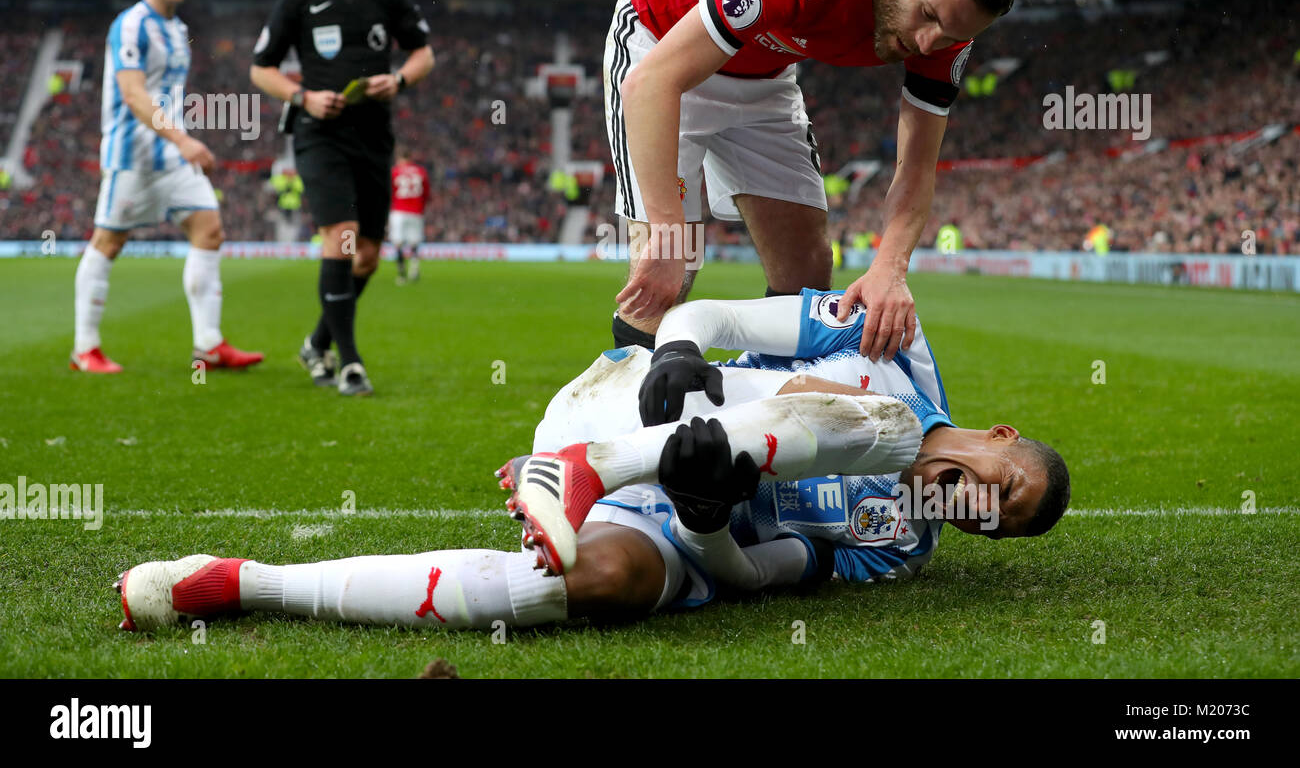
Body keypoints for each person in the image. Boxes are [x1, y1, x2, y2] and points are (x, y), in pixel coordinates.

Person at [115, 290, 1069, 632]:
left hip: (673, 513)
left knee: (595, 583)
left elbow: (760, 579)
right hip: (630, 403)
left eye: (1001, 524)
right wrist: (679, 356)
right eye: (1006, 488)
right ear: (1002, 436)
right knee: (889, 422)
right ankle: (595, 464)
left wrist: (703, 517)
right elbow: (710, 319)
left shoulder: (895, 547)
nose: (984, 509)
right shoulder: (896, 350)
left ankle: (243, 583)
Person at [605, 0, 1026, 362]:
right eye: (927, 15)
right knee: (668, 270)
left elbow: (917, 166)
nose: (928, 43)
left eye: (949, 35)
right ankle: (630, 425)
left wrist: (891, 267)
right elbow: (651, 83)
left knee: (806, 275)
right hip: (662, 45)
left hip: (764, 74)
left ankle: (762, 412)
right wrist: (667, 234)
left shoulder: (948, 29)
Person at [249, 0, 434, 395]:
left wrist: (397, 81)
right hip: (320, 134)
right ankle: (349, 364)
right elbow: (260, 68)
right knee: (342, 236)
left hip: (374, 135)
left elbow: (423, 54)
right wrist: (303, 97)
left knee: (368, 256)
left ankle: (316, 343)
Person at [71, 0, 262, 374]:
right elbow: (134, 95)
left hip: (173, 156)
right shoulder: (131, 25)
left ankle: (209, 345)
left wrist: (178, 141)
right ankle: (85, 348)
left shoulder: (176, 29)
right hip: (133, 155)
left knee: (209, 229)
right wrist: (182, 138)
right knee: (109, 242)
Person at [388, 146, 428, 285]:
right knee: (414, 243)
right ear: (410, 158)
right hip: (416, 212)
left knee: (398, 243)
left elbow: (390, 192)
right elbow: (426, 193)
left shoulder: (395, 171)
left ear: (399, 159)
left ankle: (401, 274)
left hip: (399, 210)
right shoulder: (420, 172)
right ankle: (414, 270)